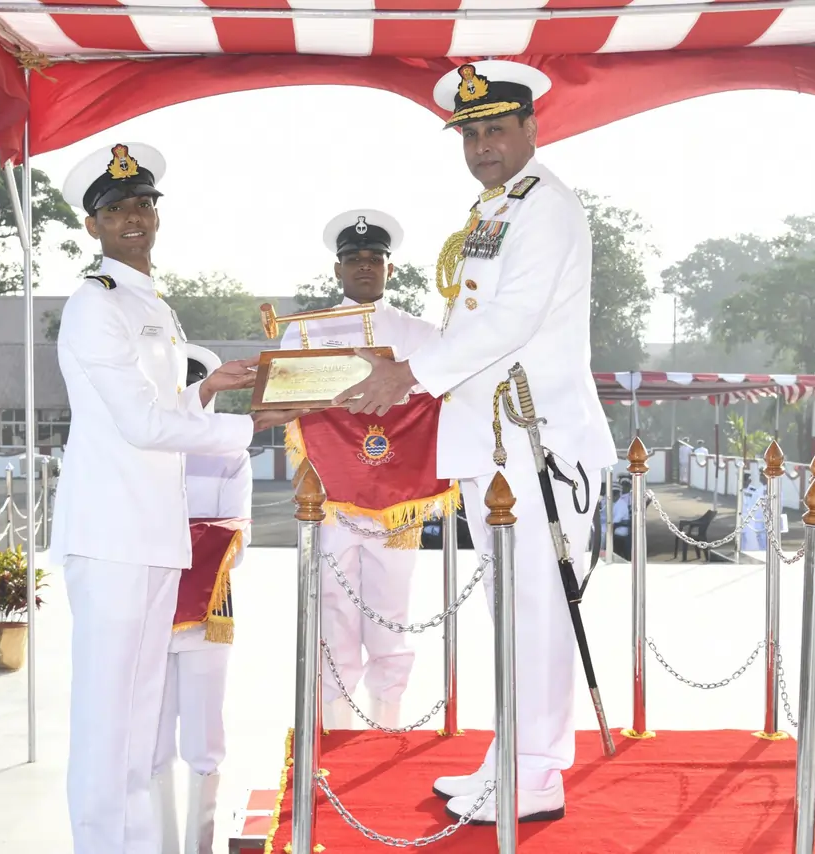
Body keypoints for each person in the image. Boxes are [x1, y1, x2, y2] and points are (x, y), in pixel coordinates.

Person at [332, 61, 618, 823]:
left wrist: (409, 377)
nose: (482, 145)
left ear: (531, 128)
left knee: (538, 610)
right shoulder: (496, 208)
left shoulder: (545, 206)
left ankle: (537, 775)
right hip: (495, 441)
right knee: (512, 610)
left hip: (537, 442)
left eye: (495, 129)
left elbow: (514, 319)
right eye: (470, 133)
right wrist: (400, 368)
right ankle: (512, 759)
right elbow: (470, 324)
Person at [51, 141, 304, 854]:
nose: (133, 217)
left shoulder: (147, 303)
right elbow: (139, 425)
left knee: (138, 720)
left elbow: (157, 409)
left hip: (151, 532)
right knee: (108, 722)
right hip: (112, 537)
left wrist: (207, 390)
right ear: (92, 226)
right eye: (115, 210)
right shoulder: (95, 305)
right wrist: (249, 424)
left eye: (143, 204)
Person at [280, 209, 435, 729]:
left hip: (398, 497)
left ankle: (389, 716)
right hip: (331, 495)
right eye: (353, 259)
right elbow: (287, 396)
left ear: (391, 268)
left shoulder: (423, 335)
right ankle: (337, 723)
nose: (364, 266)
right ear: (337, 269)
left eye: (374, 258)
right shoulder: (306, 333)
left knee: (392, 609)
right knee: (333, 608)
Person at [152, 344, 254, 854]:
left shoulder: (230, 451)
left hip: (206, 608)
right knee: (150, 741)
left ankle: (199, 846)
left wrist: (167, 544)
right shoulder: (143, 448)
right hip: (151, 605)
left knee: (204, 741)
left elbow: (239, 538)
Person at [739, 471, 767, 552]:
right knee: (741, 537)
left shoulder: (754, 490)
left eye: (746, 480)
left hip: (752, 519)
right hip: (742, 518)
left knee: (753, 537)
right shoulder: (739, 489)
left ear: (749, 481)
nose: (744, 482)